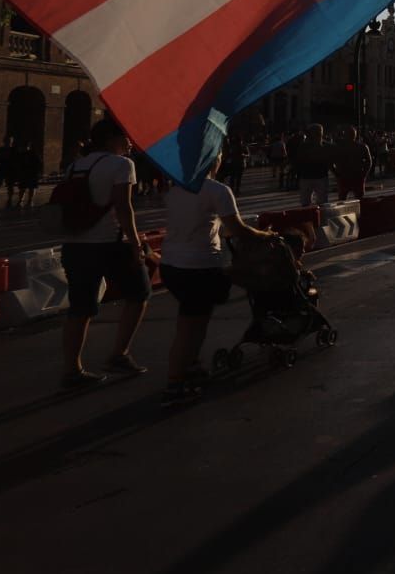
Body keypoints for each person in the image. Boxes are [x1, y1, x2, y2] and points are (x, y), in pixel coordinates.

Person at [159, 148, 268, 405]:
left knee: (194, 320)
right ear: (214, 160)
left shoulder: (175, 189)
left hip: (170, 265)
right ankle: (174, 384)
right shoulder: (217, 190)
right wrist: (265, 236)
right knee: (190, 327)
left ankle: (192, 365)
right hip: (198, 266)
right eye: (219, 155)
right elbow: (237, 228)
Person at [57, 119, 153, 388]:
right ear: (112, 139)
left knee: (80, 308)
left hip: (75, 245)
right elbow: (124, 207)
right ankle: (119, 354)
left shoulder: (75, 165)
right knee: (139, 293)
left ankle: (72, 370)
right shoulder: (122, 165)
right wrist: (135, 243)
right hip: (110, 244)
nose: (130, 142)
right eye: (126, 136)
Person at [293, 125, 332, 207]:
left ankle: (315, 217)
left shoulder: (325, 146)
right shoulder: (304, 146)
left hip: (315, 177)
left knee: (320, 202)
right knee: (310, 202)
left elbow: (298, 161)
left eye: (318, 132)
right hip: (312, 177)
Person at [333, 126, 372, 202]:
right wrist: (364, 174)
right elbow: (369, 162)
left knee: (342, 200)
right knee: (359, 199)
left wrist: (336, 173)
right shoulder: (362, 146)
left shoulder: (339, 147)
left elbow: (331, 160)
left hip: (346, 176)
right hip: (355, 175)